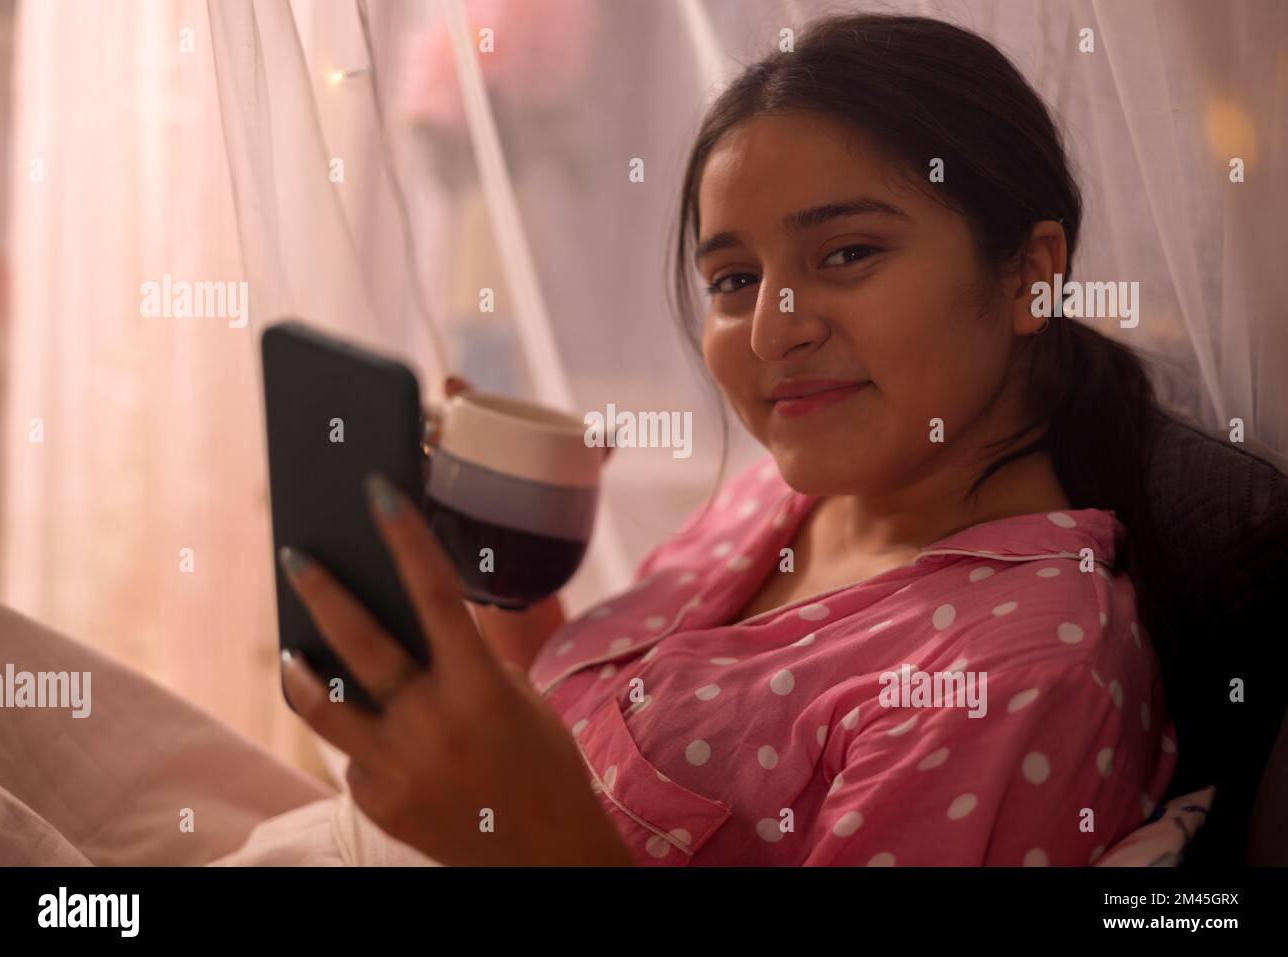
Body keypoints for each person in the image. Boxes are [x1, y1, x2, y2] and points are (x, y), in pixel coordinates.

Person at [266, 12, 1179, 866]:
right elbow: (581, 740)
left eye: (848, 254)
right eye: (736, 278)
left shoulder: (1023, 669)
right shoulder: (786, 493)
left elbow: (553, 820)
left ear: (1031, 275)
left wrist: (533, 836)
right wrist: (479, 545)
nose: (773, 331)